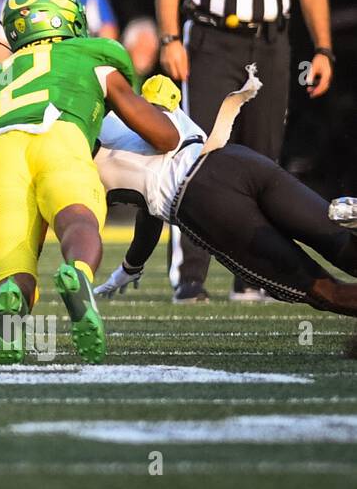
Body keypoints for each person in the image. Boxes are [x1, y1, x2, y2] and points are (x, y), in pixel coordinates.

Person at [157, 0, 332, 303]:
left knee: (263, 160)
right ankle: (189, 279)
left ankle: (253, 275)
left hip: (272, 42)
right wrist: (170, 38)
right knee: (200, 155)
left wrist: (323, 48)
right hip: (212, 39)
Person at [0, 0, 179, 363]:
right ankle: (78, 273)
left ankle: (11, 311)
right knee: (78, 220)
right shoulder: (93, 54)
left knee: (13, 267)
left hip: (0, 154)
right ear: (68, 19)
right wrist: (163, 112)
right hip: (59, 137)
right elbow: (162, 136)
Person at [92, 75, 357, 319]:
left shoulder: (84, 144)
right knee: (340, 242)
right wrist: (131, 265)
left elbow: (166, 143)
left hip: (203, 199)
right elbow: (148, 204)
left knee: (324, 291)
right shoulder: (132, 107)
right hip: (238, 160)